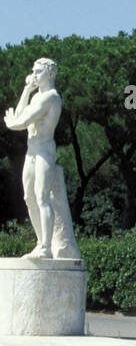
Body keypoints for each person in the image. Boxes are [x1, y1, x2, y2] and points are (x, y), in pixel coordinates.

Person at [4, 58, 81, 260]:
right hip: (31, 151)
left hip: (44, 151)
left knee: (41, 197)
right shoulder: (36, 96)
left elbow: (22, 120)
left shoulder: (51, 97)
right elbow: (20, 114)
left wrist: (14, 123)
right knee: (28, 198)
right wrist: (27, 90)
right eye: (34, 71)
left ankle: (46, 247)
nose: (34, 75)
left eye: (39, 72)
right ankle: (40, 243)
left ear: (50, 74)